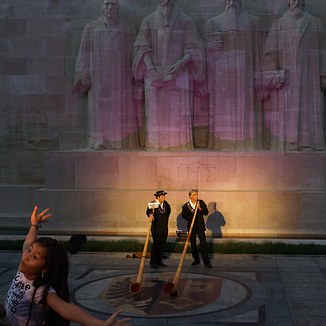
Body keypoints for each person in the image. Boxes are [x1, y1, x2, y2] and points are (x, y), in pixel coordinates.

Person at [4, 206, 132, 326]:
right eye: (30, 250)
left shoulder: (42, 291)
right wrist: (34, 225)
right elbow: (28, 243)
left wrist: (102, 324)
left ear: (44, 268)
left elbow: (67, 309)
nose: (26, 255)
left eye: (34, 257)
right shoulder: (24, 270)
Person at [133, 0, 206, 150]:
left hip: (180, 74)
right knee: (156, 119)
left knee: (179, 118)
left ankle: (180, 150)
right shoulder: (148, 21)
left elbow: (193, 48)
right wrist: (152, 69)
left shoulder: (186, 21)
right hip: (153, 74)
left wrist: (179, 65)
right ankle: (155, 150)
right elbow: (142, 47)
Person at [74, 0, 139, 150]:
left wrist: (136, 76)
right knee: (99, 109)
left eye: (113, 4)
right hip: (99, 78)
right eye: (107, 4)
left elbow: (135, 53)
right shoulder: (91, 28)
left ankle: (119, 141)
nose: (110, 7)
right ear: (102, 8)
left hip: (121, 78)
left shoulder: (128, 28)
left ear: (118, 8)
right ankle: (99, 140)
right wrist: (84, 74)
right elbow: (83, 53)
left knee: (119, 109)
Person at [263, 0, 326, 151]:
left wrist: (324, 75)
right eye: (293, 0)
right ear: (288, 3)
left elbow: (323, 52)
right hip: (286, 79)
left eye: (299, 0)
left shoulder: (316, 23)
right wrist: (274, 73)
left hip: (309, 77)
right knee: (287, 110)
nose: (296, 3)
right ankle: (285, 144)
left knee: (308, 109)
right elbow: (269, 53)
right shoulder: (278, 24)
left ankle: (309, 143)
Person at [203, 0, 265, 151]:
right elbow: (199, 50)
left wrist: (259, 77)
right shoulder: (214, 23)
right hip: (221, 78)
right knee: (222, 108)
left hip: (246, 77)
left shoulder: (253, 22)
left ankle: (247, 145)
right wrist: (209, 48)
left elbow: (261, 52)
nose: (231, 2)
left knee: (247, 108)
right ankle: (222, 145)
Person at [181, 189, 212, 268]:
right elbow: (184, 215)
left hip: (200, 226)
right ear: (191, 196)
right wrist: (190, 217)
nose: (196, 196)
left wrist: (200, 209)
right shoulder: (186, 205)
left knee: (203, 243)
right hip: (191, 226)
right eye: (195, 195)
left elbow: (206, 212)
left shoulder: (200, 203)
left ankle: (206, 261)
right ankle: (196, 259)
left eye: (197, 194)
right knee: (193, 244)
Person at [146, 191, 171, 268]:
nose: (164, 198)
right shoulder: (153, 204)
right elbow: (148, 211)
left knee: (162, 245)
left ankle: (159, 261)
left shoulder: (166, 204)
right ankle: (152, 262)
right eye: (162, 197)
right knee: (156, 245)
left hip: (164, 227)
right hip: (156, 228)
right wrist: (151, 215)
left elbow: (168, 212)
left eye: (164, 196)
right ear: (158, 197)